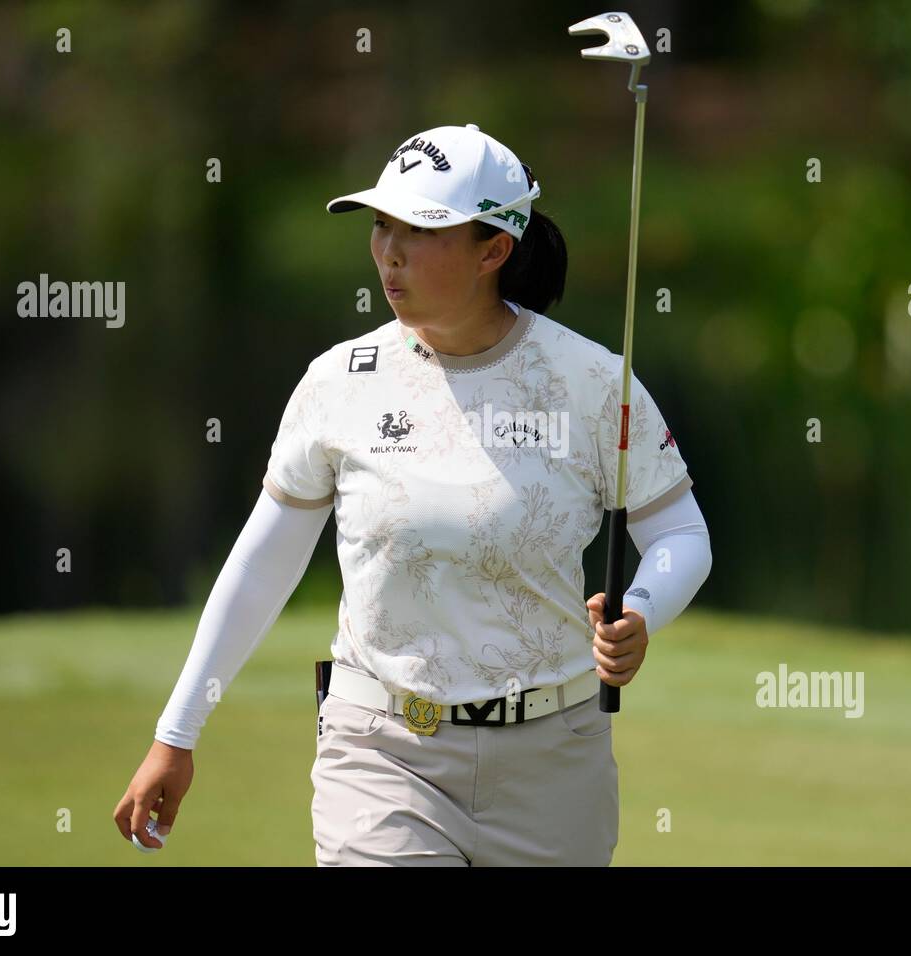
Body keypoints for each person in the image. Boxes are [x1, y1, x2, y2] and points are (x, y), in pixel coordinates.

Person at [114, 123, 712, 866]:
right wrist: (177, 733)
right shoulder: (340, 381)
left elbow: (680, 534)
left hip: (555, 763)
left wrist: (642, 611)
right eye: (381, 226)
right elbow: (264, 562)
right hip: (382, 750)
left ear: (494, 249)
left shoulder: (593, 385)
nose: (389, 252)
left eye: (418, 230)